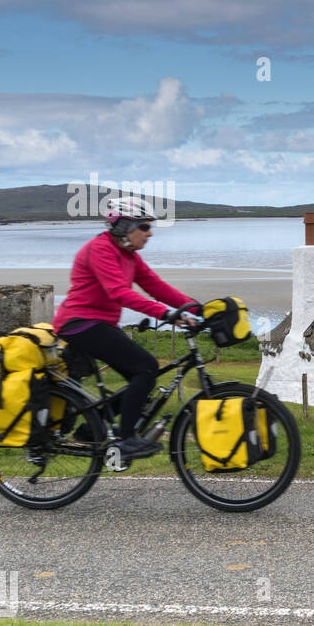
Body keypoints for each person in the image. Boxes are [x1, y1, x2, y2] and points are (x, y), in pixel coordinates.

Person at [52, 197, 201, 460]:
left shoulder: (128, 255)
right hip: (79, 323)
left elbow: (156, 287)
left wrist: (198, 309)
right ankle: (126, 438)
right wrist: (165, 313)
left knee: (143, 376)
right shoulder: (100, 249)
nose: (149, 233)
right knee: (145, 368)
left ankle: (92, 426)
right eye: (144, 227)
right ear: (124, 226)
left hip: (98, 324)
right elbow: (119, 292)